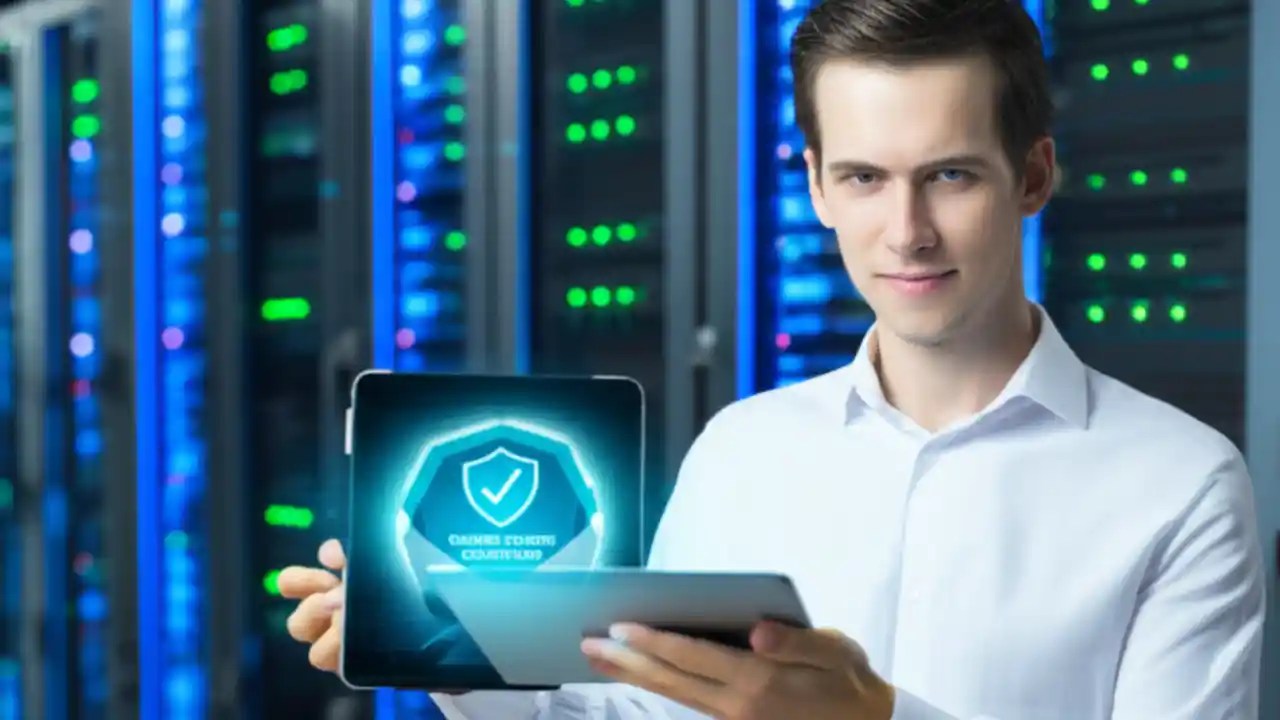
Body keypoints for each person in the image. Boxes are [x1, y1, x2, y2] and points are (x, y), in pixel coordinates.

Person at [278, 0, 1266, 717]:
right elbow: (631, 714)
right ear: (817, 187)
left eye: (950, 176)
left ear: (1032, 176)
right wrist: (448, 647)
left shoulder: (1175, 485)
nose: (905, 231)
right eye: (863, 178)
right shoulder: (743, 447)